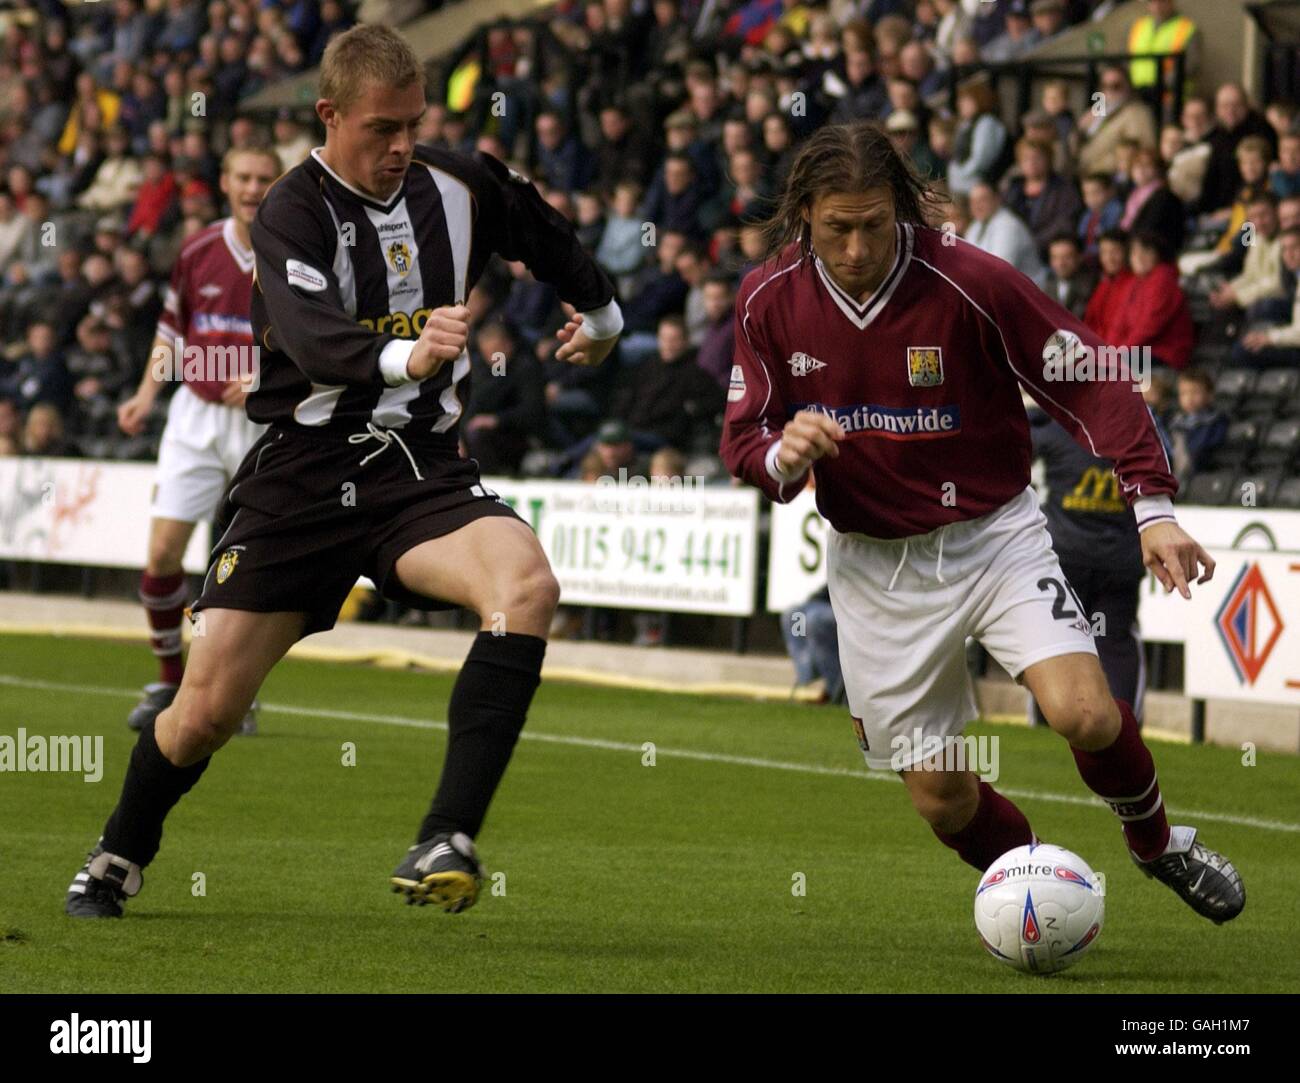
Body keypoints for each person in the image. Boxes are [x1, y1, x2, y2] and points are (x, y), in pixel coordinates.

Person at [65, 25, 623, 920]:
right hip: (303, 476)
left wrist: (599, 310)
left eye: (412, 123)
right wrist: (411, 354)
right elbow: (313, 337)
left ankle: (448, 835)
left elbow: (537, 226)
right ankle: (119, 854)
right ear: (328, 116)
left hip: (421, 471)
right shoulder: (292, 208)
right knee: (203, 712)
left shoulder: (455, 181)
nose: (402, 145)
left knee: (526, 585)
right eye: (381, 128)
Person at [721, 121, 1243, 925]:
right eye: (836, 229)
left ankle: (1159, 845)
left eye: (872, 224)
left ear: (900, 208)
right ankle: (1039, 893)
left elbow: (1094, 377)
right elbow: (744, 440)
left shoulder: (970, 278)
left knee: (1086, 712)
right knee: (942, 797)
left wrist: (1153, 507)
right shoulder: (767, 298)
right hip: (874, 566)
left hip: (994, 536)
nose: (856, 247)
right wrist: (784, 454)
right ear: (803, 215)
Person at [115, 145, 281, 736]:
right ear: (225, 180)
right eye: (243, 177)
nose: (252, 187)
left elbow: (322, 339)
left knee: (244, 570)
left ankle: (237, 690)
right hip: (193, 414)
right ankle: (168, 680)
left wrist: (268, 376)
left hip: (263, 424)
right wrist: (144, 394)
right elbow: (172, 331)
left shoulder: (295, 252)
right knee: (163, 554)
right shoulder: (197, 249)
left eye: (264, 178)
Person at [1027, 401, 1147, 727]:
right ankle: (1126, 724)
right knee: (1116, 644)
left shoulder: (1055, 433)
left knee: (1056, 640)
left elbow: (1019, 438)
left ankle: (1046, 718)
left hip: (1066, 558)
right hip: (1118, 559)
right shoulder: (1132, 436)